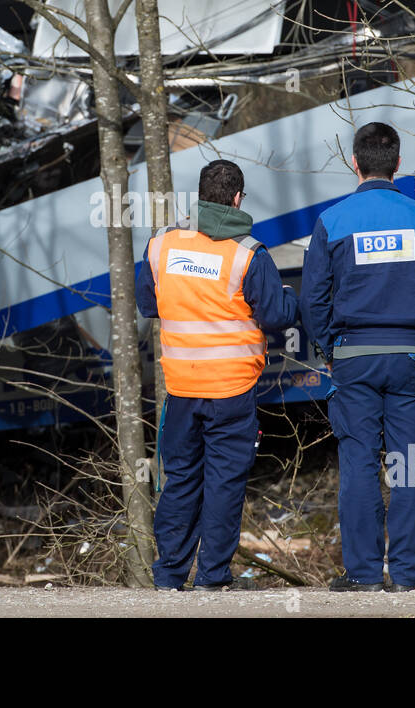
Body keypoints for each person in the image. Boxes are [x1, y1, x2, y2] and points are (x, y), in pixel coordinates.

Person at [301, 122, 415, 592]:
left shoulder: (332, 222)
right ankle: (411, 575)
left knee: (359, 463)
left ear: (355, 164)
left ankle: (364, 575)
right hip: (412, 357)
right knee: (410, 464)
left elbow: (313, 300)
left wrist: (330, 348)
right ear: (397, 163)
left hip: (353, 359)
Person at [136, 159, 298, 591]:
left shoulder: (160, 245)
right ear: (239, 198)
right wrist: (288, 295)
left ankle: (169, 575)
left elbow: (148, 304)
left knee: (181, 480)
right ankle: (211, 578)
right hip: (232, 391)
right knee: (224, 484)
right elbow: (277, 316)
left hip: (182, 391)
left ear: (200, 197)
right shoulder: (249, 254)